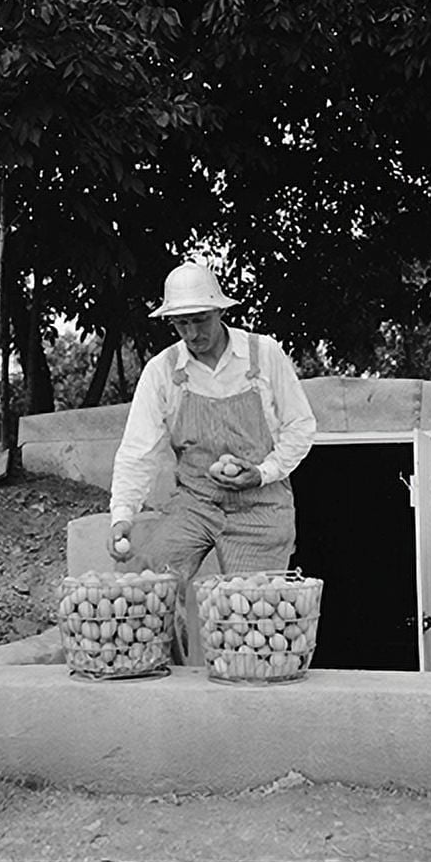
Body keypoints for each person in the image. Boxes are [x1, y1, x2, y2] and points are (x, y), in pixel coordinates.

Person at [107, 259, 316, 658]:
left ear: (220, 311)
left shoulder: (264, 354)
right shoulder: (163, 371)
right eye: (181, 324)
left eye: (200, 320)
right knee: (148, 585)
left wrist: (261, 473)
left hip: (261, 503)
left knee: (255, 617)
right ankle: (170, 678)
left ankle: (251, 699)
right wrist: (122, 515)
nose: (192, 333)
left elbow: (301, 427)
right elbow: (139, 450)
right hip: (196, 502)